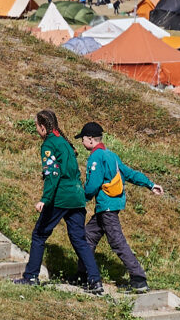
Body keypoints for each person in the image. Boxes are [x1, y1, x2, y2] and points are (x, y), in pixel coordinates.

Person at [21, 111, 101, 293]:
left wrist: (45, 199)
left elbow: (53, 174)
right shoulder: (64, 142)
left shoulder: (49, 144)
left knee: (39, 235)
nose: (36, 130)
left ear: (43, 127)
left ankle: (31, 276)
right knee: (79, 240)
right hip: (77, 198)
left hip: (60, 197)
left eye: (36, 126)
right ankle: (95, 281)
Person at [78, 121, 156, 293]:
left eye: (82, 139)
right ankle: (83, 275)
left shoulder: (96, 157)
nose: (81, 142)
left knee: (117, 242)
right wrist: (150, 184)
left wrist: (81, 199)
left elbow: (93, 184)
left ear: (90, 139)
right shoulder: (111, 155)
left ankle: (138, 279)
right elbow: (129, 174)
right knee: (87, 237)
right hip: (107, 207)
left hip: (106, 207)